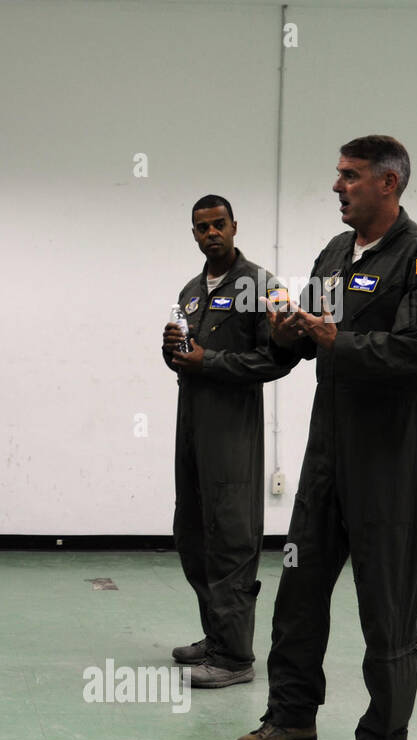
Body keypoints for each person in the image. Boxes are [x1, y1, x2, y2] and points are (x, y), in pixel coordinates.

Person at [232, 135, 417, 740]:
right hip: (327, 449)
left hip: (391, 453)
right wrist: (288, 332)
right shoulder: (335, 253)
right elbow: (307, 338)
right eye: (338, 175)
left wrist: (342, 340)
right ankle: (291, 716)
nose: (338, 185)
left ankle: (385, 735)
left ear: (388, 183)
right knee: (299, 587)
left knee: (385, 597)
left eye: (351, 176)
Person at [162, 196, 294, 688]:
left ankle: (235, 657)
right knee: (192, 532)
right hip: (191, 425)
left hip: (233, 431)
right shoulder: (192, 290)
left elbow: (279, 359)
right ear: (193, 233)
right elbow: (185, 353)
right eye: (202, 227)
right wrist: (171, 350)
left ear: (235, 225)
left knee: (231, 535)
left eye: (219, 224)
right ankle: (215, 634)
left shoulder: (260, 286)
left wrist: (210, 363)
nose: (211, 233)